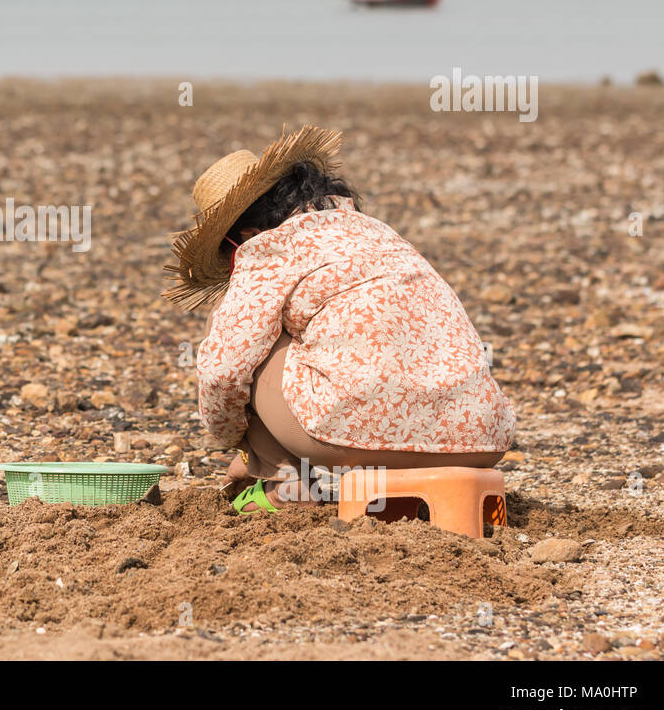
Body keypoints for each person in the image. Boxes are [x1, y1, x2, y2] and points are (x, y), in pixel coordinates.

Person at [164, 125, 514, 513]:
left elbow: (223, 372)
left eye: (230, 250)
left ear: (245, 233)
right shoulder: (380, 234)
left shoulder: (267, 248)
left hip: (365, 439)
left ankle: (286, 487)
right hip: (483, 437)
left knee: (244, 335)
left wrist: (239, 440)